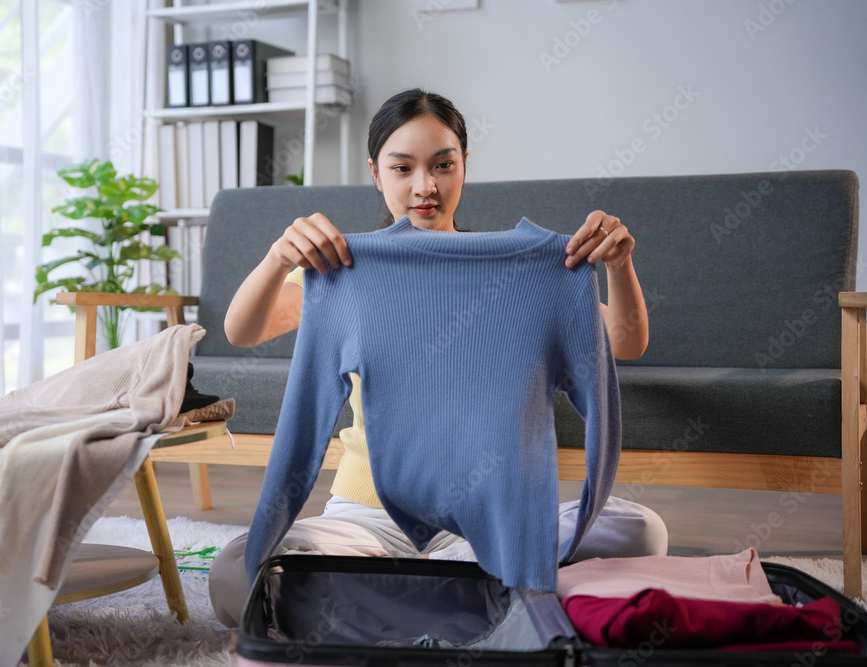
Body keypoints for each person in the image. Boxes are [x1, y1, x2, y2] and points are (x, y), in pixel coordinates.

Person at [209, 88, 667, 627]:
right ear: (376, 173)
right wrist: (277, 255)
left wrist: (619, 263)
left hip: (491, 515)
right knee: (235, 573)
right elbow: (242, 330)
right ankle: (482, 591)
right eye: (402, 168)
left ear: (464, 167)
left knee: (641, 530)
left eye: (442, 165)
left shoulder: (516, 274)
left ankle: (416, 591)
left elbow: (626, 341)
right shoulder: (345, 273)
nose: (424, 187)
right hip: (365, 523)